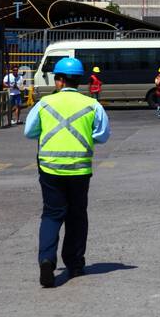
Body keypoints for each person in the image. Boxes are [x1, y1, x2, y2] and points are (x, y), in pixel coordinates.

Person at [23, 57, 109, 288]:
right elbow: (102, 135)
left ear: (58, 80)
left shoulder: (44, 104)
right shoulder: (92, 105)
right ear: (79, 80)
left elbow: (29, 132)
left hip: (50, 168)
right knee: (77, 215)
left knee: (51, 214)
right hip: (79, 169)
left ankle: (46, 260)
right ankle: (75, 263)